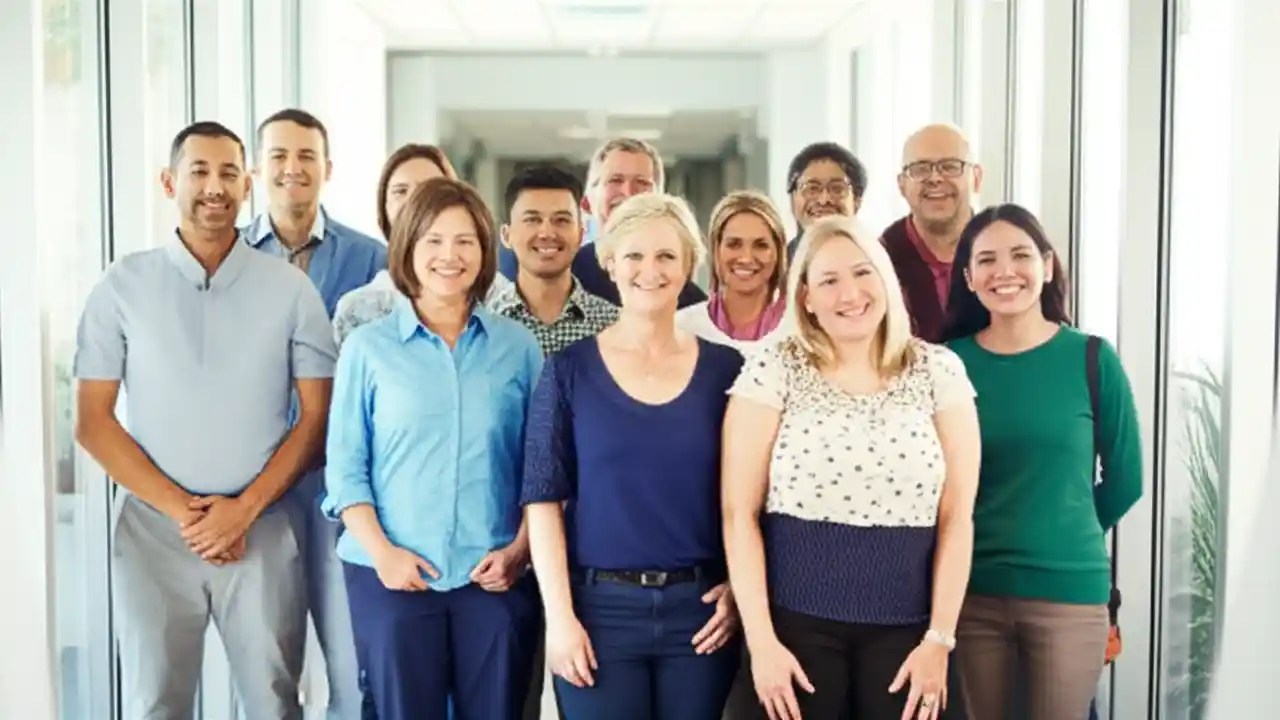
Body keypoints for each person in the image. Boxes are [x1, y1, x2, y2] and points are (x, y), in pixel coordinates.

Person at [74, 121, 336, 719]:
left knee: (274, 700)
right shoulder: (123, 285)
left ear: (247, 186)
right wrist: (184, 513)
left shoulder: (291, 289)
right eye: (199, 171)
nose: (214, 187)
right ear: (169, 183)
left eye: (227, 174)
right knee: (155, 703)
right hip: (152, 532)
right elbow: (92, 420)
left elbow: (317, 420)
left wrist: (240, 512)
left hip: (262, 526)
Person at [722, 215, 980, 720]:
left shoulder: (938, 371)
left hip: (911, 634)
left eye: (863, 273)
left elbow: (958, 517)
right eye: (829, 280)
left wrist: (940, 641)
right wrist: (762, 645)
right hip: (794, 633)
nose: (850, 293)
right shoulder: (774, 369)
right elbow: (738, 514)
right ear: (806, 299)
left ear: (886, 280)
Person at [323, 177, 541, 719]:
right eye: (434, 241)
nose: (450, 255)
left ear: (486, 251)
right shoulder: (367, 350)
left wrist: (520, 550)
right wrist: (383, 555)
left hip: (493, 576)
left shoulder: (518, 348)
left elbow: (543, 468)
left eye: (465, 241)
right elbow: (347, 469)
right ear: (408, 248)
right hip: (393, 574)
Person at [522, 193, 742, 719]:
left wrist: (741, 589)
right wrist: (560, 618)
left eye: (667, 256)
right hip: (599, 614)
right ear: (609, 263)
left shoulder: (726, 371)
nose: (650, 270)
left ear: (689, 265)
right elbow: (542, 499)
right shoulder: (567, 370)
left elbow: (753, 498)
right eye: (635, 256)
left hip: (702, 615)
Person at [939, 203, 1143, 720]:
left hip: (1068, 596)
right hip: (971, 594)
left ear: (1047, 265)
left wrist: (1060, 526)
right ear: (968, 277)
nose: (1004, 271)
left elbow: (1126, 480)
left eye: (1020, 255)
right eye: (986, 260)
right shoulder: (945, 363)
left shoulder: (1094, 358)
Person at [242, 107, 386, 719]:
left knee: (354, 671)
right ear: (256, 170)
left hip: (342, 486)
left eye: (306, 156)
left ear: (328, 168)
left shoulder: (372, 259)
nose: (293, 168)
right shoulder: (229, 260)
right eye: (278, 156)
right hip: (258, 486)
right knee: (266, 671)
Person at [333, 143, 511, 348]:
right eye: (401, 191)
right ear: (384, 206)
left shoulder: (499, 297)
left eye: (429, 189)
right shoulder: (358, 309)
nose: (415, 202)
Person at [501, 137, 706, 309]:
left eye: (642, 182)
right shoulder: (558, 269)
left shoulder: (685, 294)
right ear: (587, 201)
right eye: (615, 180)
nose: (628, 193)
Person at [490, 164, 618, 351]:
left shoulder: (613, 325)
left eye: (562, 220)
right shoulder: (483, 327)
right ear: (506, 236)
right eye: (532, 220)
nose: (547, 233)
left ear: (581, 235)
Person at [881, 124, 984, 343]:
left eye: (950, 166)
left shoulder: (1008, 251)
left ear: (976, 177)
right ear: (901, 185)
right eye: (921, 168)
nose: (935, 178)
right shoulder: (878, 261)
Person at [676, 191, 789, 352]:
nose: (746, 258)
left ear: (778, 251)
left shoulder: (802, 328)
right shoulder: (682, 327)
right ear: (716, 250)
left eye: (760, 245)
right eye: (734, 244)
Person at [783, 142, 868, 263]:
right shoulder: (778, 265)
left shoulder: (874, 261)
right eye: (812, 189)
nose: (823, 200)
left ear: (857, 200)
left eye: (837, 189)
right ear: (792, 199)